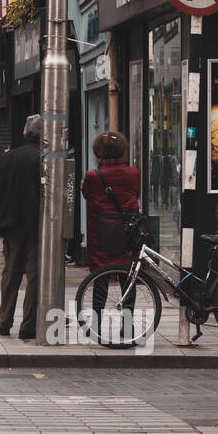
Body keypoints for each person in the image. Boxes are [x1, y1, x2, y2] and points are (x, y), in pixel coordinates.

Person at [82, 131, 143, 340]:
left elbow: (86, 194)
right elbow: (136, 193)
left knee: (100, 279)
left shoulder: (92, 176)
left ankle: (97, 327)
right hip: (127, 234)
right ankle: (128, 327)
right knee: (128, 279)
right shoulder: (134, 173)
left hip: (102, 234)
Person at [0, 115, 43, 340]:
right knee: (35, 275)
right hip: (37, 225)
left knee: (11, 273)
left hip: (11, 224)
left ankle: (4, 321)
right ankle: (29, 325)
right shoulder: (45, 158)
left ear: (24, 133)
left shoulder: (9, 157)